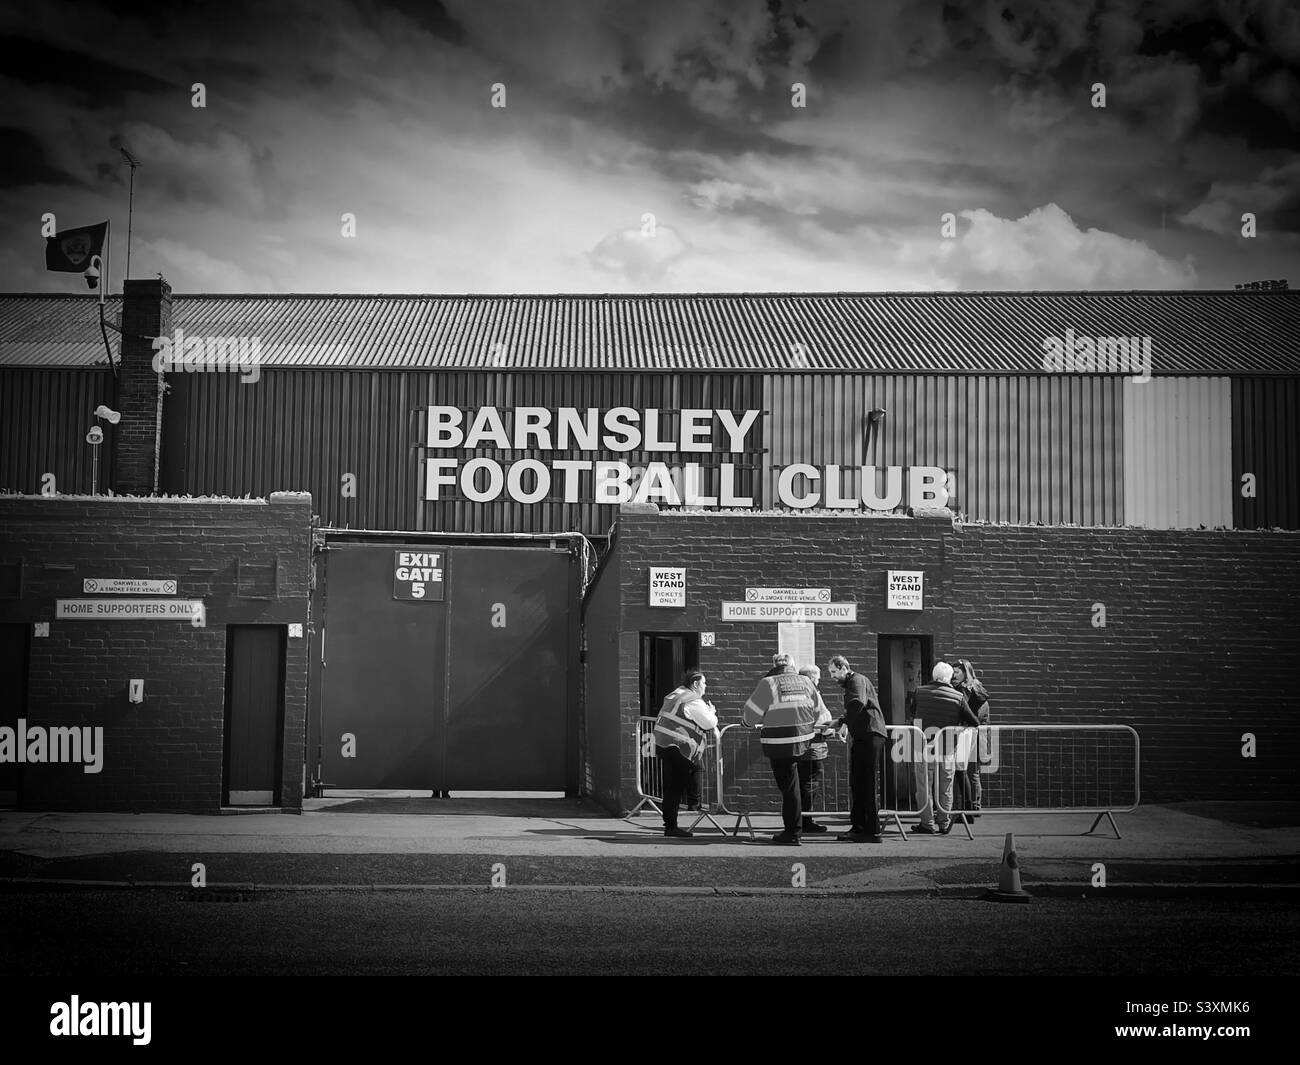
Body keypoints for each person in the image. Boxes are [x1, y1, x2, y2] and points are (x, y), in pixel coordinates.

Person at [743, 658, 822, 845]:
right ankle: (796, 827)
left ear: (774, 666)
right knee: (795, 785)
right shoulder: (806, 681)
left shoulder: (768, 682)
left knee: (789, 789)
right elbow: (817, 711)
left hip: (780, 742)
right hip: (804, 740)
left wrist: (746, 723)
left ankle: (793, 833)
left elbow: (751, 713)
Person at [910, 661, 978, 835]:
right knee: (945, 787)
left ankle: (927, 824)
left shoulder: (919, 692)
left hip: (923, 745)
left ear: (934, 676)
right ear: (948, 678)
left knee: (924, 786)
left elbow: (912, 712)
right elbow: (974, 722)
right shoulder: (958, 696)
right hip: (947, 747)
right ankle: (944, 823)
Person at [827, 654, 887, 843]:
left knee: (865, 783)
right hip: (867, 734)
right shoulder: (856, 681)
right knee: (859, 782)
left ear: (844, 667)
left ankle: (871, 830)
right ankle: (860, 827)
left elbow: (857, 703)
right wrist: (843, 722)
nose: (832, 676)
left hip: (870, 734)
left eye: (834, 672)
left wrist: (842, 723)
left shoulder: (856, 680)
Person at [652, 670, 718, 838]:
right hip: (678, 746)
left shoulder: (676, 694)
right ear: (695, 684)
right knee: (675, 786)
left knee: (673, 786)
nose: (705, 687)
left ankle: (676, 819)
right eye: (704, 684)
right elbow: (709, 723)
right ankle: (685, 812)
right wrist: (712, 712)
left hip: (664, 743)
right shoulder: (693, 700)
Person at [797, 665, 838, 835]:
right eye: (818, 678)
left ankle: (802, 819)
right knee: (810, 783)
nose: (819, 681)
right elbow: (822, 717)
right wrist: (828, 725)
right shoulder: (811, 692)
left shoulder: (800, 693)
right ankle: (805, 821)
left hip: (805, 744)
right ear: (812, 678)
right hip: (813, 745)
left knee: (805, 782)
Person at [951, 658, 990, 816]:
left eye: (956, 672)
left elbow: (965, 712)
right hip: (979, 733)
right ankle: (975, 806)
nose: (953, 676)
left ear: (965, 672)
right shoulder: (978, 687)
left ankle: (971, 807)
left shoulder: (965, 689)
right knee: (973, 772)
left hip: (968, 733)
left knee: (966, 771)